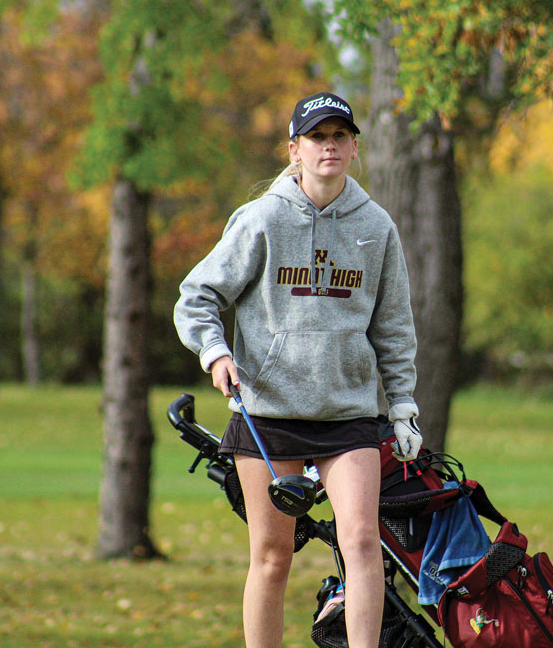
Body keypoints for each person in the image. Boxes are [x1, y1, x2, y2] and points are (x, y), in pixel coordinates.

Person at [174, 91, 420, 648]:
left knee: (361, 543)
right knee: (272, 557)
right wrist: (215, 352)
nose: (329, 145)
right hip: (268, 414)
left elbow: (394, 327)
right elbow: (197, 296)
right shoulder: (261, 218)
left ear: (354, 148)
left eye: (339, 136)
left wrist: (402, 403)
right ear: (295, 150)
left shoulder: (377, 226)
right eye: (317, 137)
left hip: (349, 412)